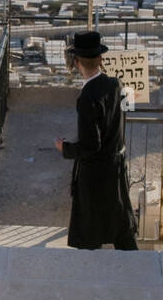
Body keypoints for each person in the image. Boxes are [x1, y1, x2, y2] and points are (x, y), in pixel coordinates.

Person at [53, 31, 139, 251]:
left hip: (95, 174)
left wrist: (66, 148)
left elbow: (91, 145)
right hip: (116, 167)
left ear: (76, 62)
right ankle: (139, 271)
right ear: (101, 59)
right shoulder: (115, 84)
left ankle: (90, 274)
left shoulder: (87, 98)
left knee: (90, 229)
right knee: (120, 223)